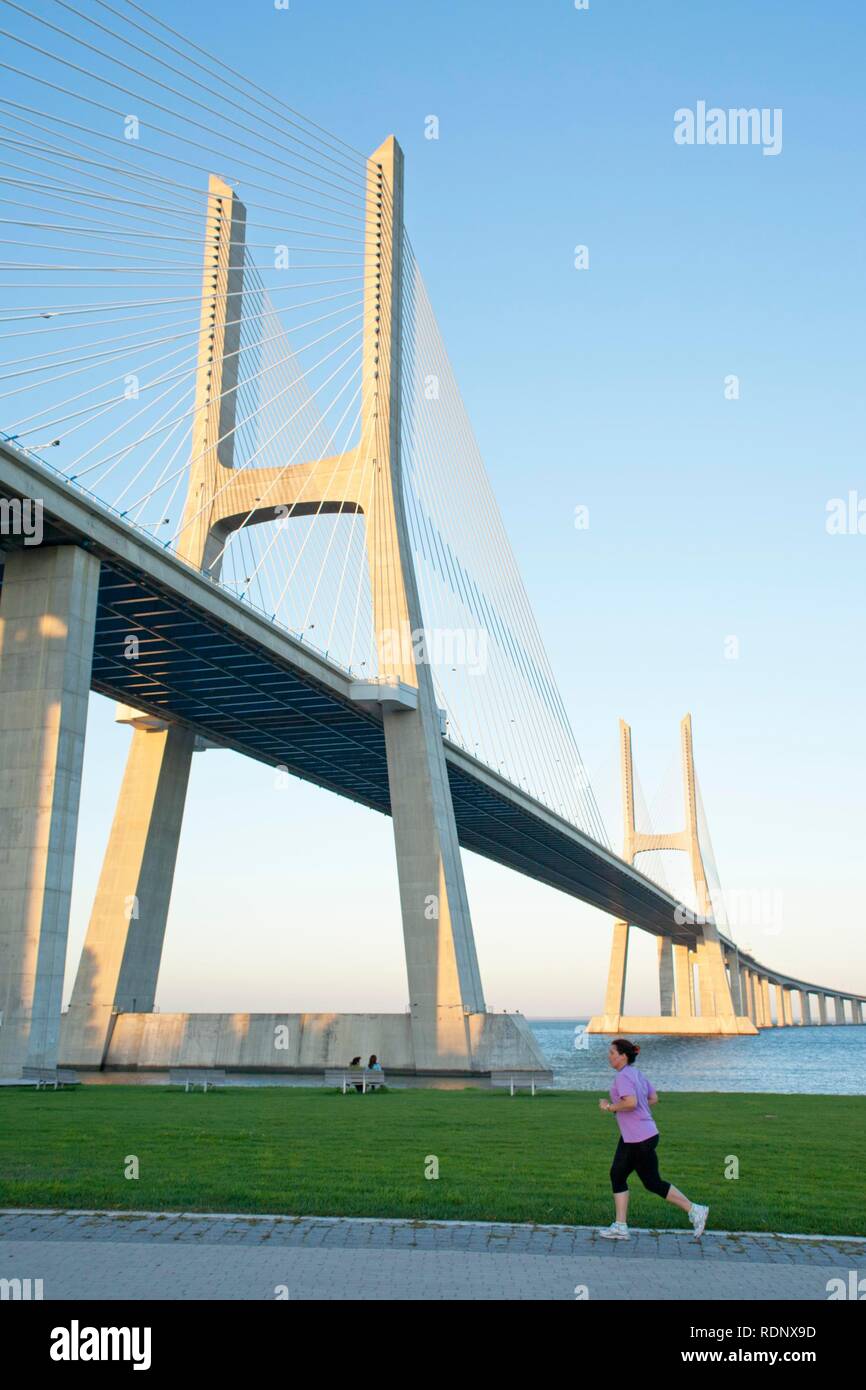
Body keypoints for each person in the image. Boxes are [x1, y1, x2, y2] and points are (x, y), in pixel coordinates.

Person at [597, 1037, 708, 1241]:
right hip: (641, 1135)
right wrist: (638, 1109)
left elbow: (630, 1102)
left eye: (612, 1053)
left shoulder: (623, 1077)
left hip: (638, 1138)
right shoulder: (636, 1074)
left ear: (623, 1056)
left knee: (636, 1179)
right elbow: (653, 1098)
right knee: (630, 1177)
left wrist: (609, 1107)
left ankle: (695, 1210)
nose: (609, 1056)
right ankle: (621, 1226)